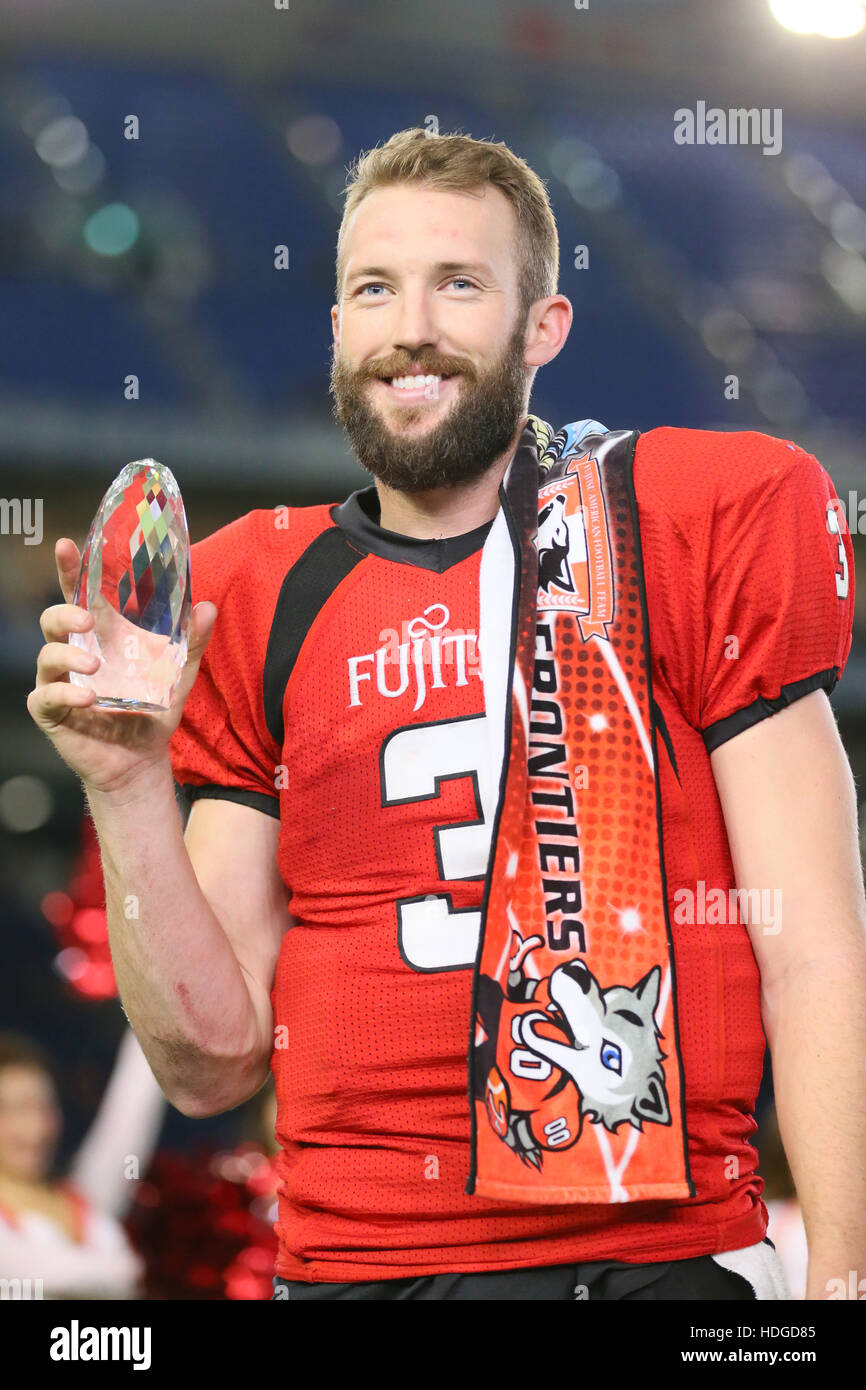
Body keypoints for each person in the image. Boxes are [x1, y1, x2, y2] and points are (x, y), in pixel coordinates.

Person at [27, 128, 865, 1301]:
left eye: (457, 284)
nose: (409, 326)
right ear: (336, 331)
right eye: (374, 288)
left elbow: (815, 948)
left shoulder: (682, 520)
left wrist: (845, 1273)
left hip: (647, 1261)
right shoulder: (252, 590)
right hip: (348, 1271)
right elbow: (210, 1063)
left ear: (542, 327)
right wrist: (122, 787)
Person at [0, 1028, 163, 1298]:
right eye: (11, 1109)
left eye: (43, 1106)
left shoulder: (85, 1197)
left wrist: (153, 1012)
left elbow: (131, 1112)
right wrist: (143, 1269)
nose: (34, 1127)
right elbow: (44, 1274)